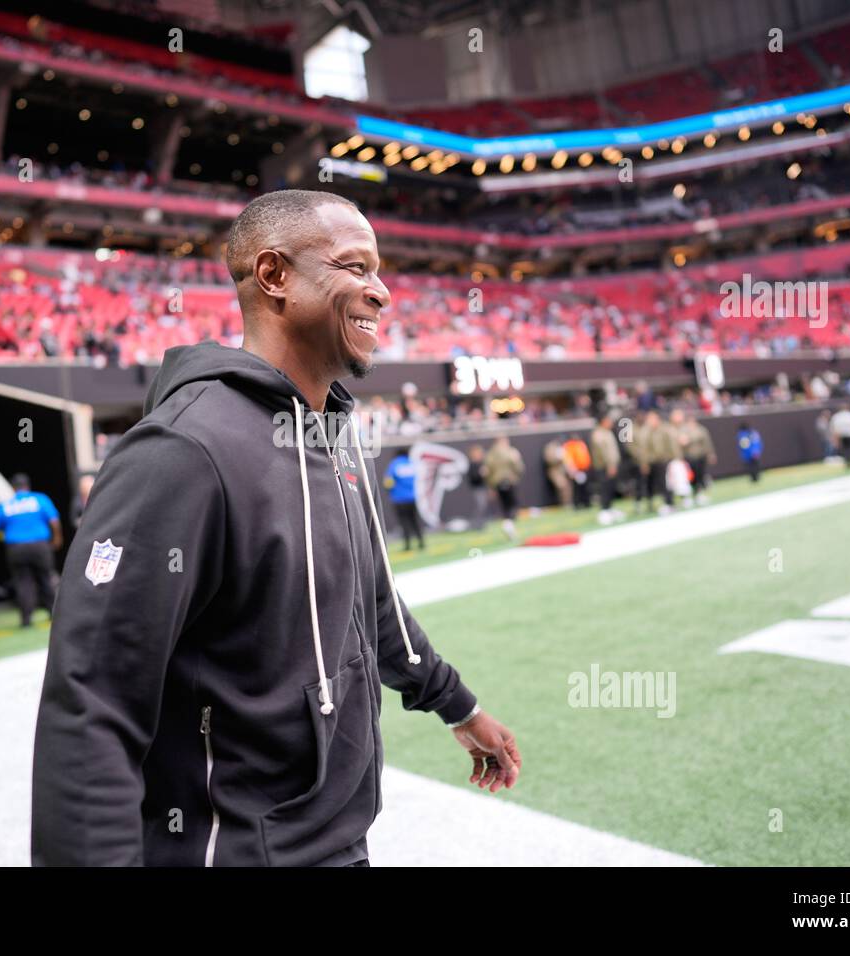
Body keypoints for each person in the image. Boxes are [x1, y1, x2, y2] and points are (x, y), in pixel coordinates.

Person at [31, 190, 520, 868]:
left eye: (380, 272)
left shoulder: (335, 436)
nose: (380, 292)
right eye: (355, 267)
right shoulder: (182, 451)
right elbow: (91, 702)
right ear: (274, 276)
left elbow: (372, 608)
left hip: (337, 843)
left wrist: (457, 707)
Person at [0, 473, 63, 628]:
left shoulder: (5, 505)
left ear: (13, 488)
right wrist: (57, 539)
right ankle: (54, 613)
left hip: (16, 548)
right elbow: (54, 520)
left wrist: (5, 538)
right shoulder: (40, 499)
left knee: (23, 582)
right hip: (39, 545)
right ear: (28, 485)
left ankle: (26, 619)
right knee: (45, 578)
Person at [383, 447, 425, 551]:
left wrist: (389, 490)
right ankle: (421, 542)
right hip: (412, 497)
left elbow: (388, 481)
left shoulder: (395, 464)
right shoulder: (411, 464)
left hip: (399, 498)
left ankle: (408, 545)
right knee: (415, 520)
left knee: (404, 522)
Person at [484, 435, 525, 541]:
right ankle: (508, 523)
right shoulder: (510, 452)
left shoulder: (490, 454)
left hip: (497, 482)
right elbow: (518, 466)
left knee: (505, 505)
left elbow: (487, 471)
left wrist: (490, 485)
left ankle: (508, 523)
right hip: (509, 480)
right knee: (512, 504)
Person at [589, 410, 624, 525]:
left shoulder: (607, 432)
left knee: (610, 488)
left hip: (610, 465)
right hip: (604, 467)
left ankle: (609, 508)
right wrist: (610, 465)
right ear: (603, 421)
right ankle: (604, 511)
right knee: (605, 488)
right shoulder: (598, 434)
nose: (610, 422)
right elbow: (604, 452)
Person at [679, 410, 717, 506]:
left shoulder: (701, 429)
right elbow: (682, 442)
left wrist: (710, 453)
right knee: (691, 478)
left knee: (700, 475)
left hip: (701, 456)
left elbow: (707, 442)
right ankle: (689, 496)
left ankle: (699, 494)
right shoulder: (683, 430)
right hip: (690, 457)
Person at [561, 435, 592, 509]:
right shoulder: (569, 446)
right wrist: (572, 470)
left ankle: (586, 502)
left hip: (584, 469)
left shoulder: (581, 444)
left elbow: (585, 456)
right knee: (576, 489)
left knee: (585, 487)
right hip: (576, 470)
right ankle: (577, 504)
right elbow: (568, 459)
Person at [830, 404, 850, 469]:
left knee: (845, 449)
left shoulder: (837, 416)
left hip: (842, 435)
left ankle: (848, 461)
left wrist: (835, 438)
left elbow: (834, 428)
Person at [466, 444, 490, 529]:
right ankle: (476, 524)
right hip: (477, 488)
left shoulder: (480, 463)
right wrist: (480, 474)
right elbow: (472, 477)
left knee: (483, 506)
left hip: (482, 487)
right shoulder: (472, 464)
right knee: (480, 506)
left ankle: (480, 524)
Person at [543, 439, 572, 508]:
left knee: (567, 488)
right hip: (554, 472)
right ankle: (563, 504)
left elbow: (566, 461)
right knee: (562, 486)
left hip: (562, 471)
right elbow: (549, 460)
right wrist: (558, 458)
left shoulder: (561, 448)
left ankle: (567, 503)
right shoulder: (550, 449)